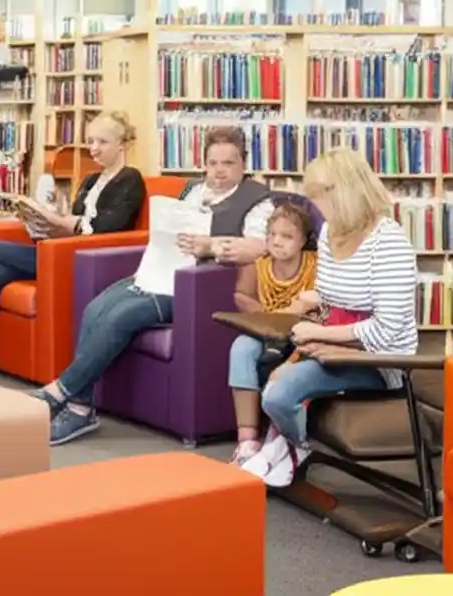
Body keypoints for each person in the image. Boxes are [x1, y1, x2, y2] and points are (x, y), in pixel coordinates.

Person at [33, 125, 275, 446]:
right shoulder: (193, 191)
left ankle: (60, 392)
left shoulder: (258, 201)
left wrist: (212, 245)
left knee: (122, 316)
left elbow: (260, 247)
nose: (219, 171)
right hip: (161, 269)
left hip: (198, 285)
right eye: (212, 163)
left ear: (243, 164)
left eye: (228, 163)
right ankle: (81, 407)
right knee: (95, 308)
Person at [0, 113, 147, 386]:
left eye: (102, 142)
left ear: (122, 144)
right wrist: (43, 218)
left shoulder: (129, 179)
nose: (93, 148)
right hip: (60, 249)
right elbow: (76, 221)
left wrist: (58, 220)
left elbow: (106, 228)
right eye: (90, 141)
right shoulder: (91, 181)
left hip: (80, 259)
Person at [240, 147, 418, 487]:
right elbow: (332, 297)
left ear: (343, 194)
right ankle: (281, 446)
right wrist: (311, 308)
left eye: (318, 196)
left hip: (380, 360)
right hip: (334, 341)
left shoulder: (388, 243)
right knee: (260, 360)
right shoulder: (329, 233)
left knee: (278, 393)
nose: (314, 206)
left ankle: (295, 448)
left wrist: (323, 337)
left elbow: (387, 330)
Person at [225, 201, 319, 466]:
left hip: (306, 333)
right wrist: (268, 315)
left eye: (287, 236)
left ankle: (279, 439)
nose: (277, 241)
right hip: (266, 331)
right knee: (241, 347)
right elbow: (242, 296)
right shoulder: (257, 266)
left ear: (303, 240)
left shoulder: (317, 265)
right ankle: (247, 440)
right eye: (272, 235)